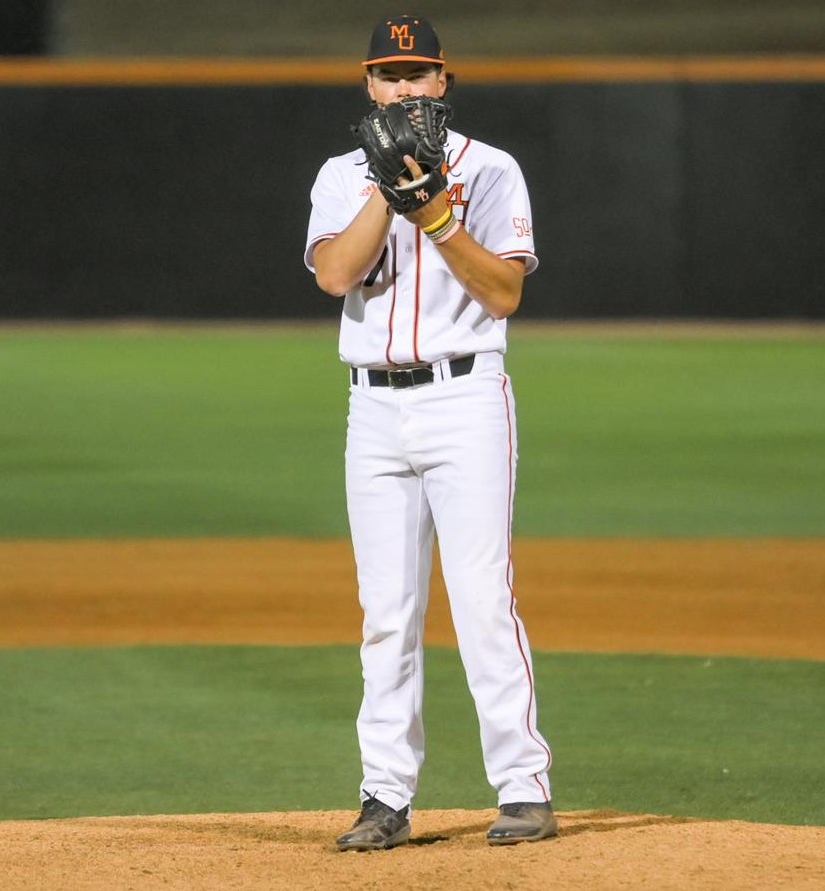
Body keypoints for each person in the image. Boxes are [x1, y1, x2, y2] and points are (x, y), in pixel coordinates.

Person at [303, 14, 557, 852]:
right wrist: (389, 185)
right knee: (387, 611)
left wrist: (440, 214)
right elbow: (337, 272)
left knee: (483, 599)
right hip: (372, 408)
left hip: (464, 399)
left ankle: (523, 786)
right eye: (389, 75)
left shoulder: (492, 171)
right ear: (368, 85)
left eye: (418, 75)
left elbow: (504, 294)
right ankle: (385, 798)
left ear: (445, 80)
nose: (405, 89)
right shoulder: (341, 176)